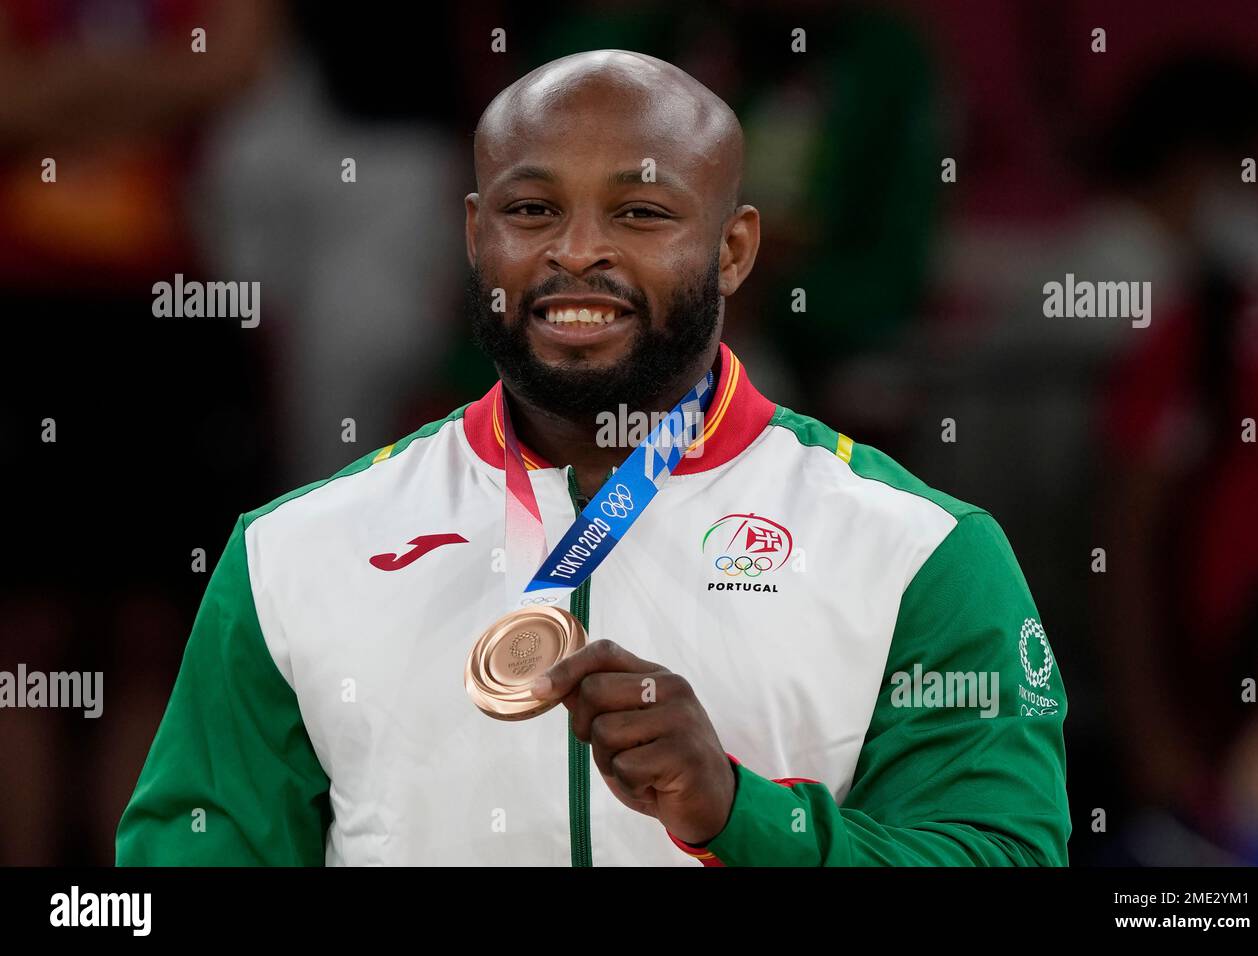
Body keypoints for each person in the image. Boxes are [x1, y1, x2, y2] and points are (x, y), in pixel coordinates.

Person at [116, 50, 1070, 866]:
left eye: (642, 214)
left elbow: (1003, 849)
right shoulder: (294, 555)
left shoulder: (920, 552)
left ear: (733, 251)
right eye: (531, 211)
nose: (577, 253)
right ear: (474, 236)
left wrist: (745, 817)